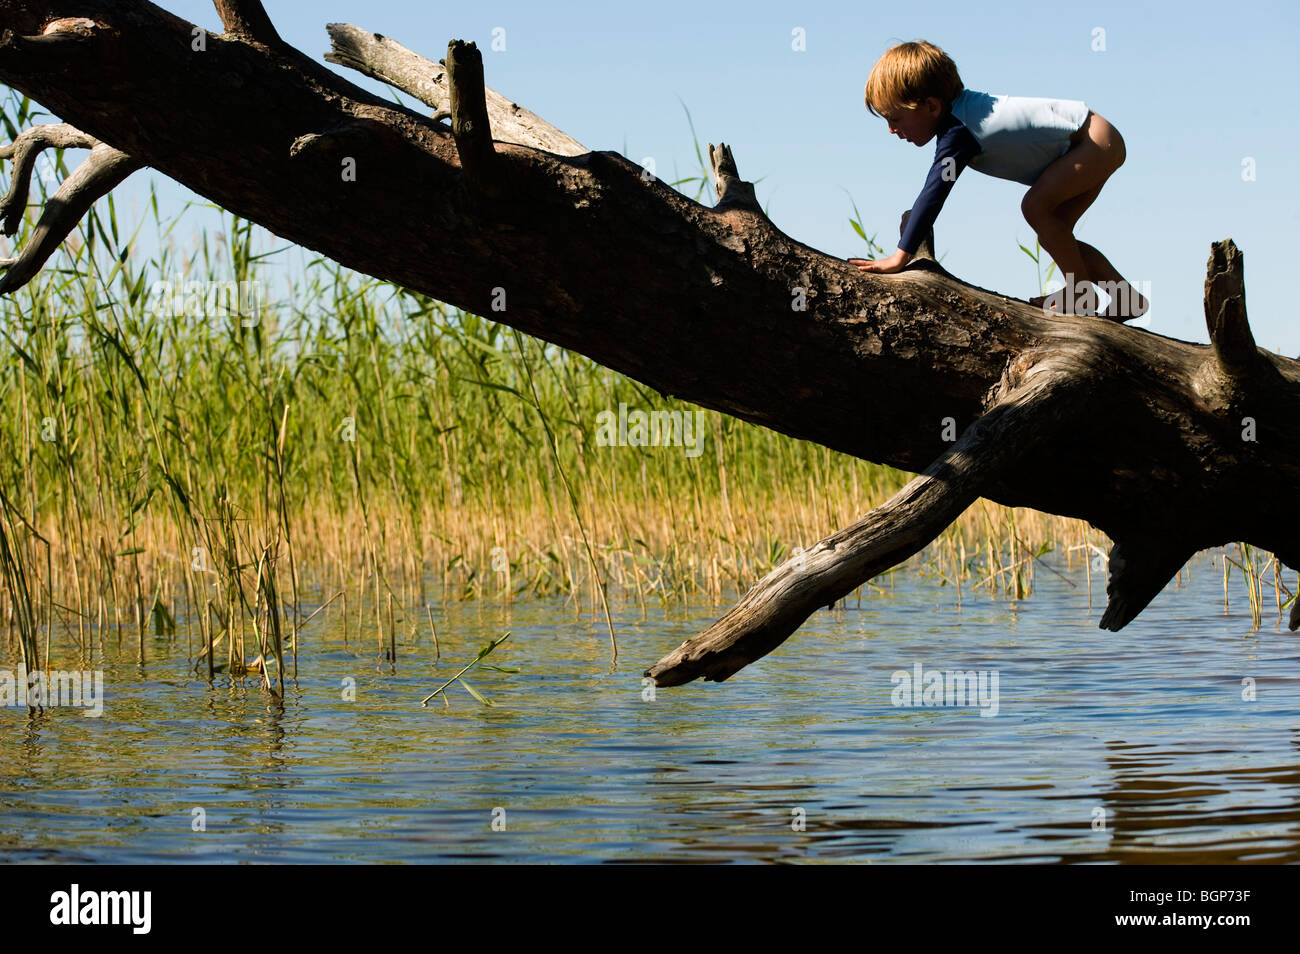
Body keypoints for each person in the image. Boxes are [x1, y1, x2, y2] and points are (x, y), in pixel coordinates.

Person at [848, 40, 1147, 321]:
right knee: (1055, 233)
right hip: (1094, 139)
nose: (890, 130)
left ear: (931, 106)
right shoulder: (962, 118)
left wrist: (900, 256)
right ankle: (1123, 298)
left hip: (1090, 141)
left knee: (1036, 208)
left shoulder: (959, 130)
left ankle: (1080, 294)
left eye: (895, 119)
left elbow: (934, 193)